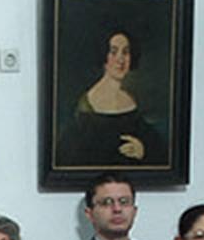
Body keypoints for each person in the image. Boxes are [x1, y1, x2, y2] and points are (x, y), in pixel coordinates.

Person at [54, 27, 168, 169]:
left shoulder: (130, 99)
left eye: (125, 52)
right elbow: (72, 154)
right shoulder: (88, 105)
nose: (121, 59)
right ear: (103, 56)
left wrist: (143, 150)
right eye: (113, 52)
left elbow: (156, 146)